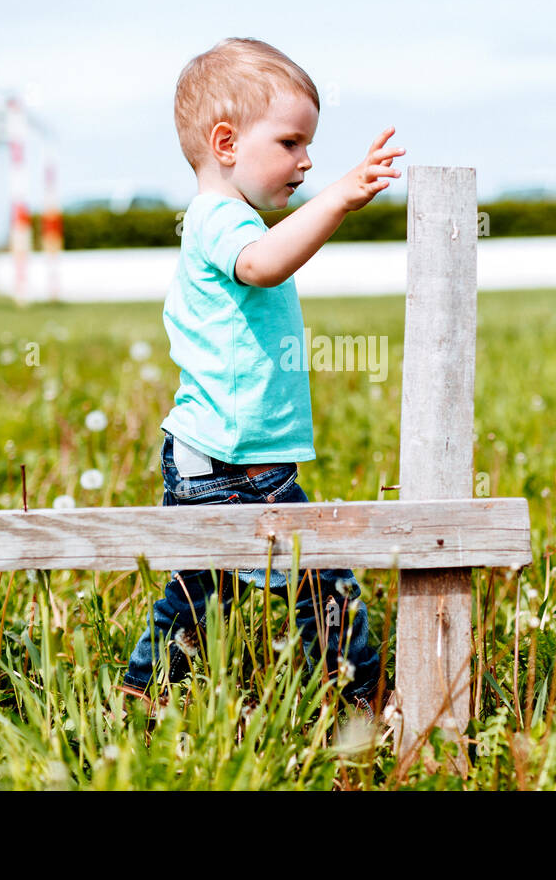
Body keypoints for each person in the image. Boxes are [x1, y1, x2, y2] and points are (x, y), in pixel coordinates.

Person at [120, 37, 405, 718]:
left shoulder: (227, 217)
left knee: (200, 585)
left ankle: (144, 690)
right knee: (319, 579)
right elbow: (263, 265)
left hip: (220, 454)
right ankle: (363, 700)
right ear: (225, 142)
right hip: (231, 461)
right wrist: (337, 200)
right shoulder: (223, 220)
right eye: (290, 142)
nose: (306, 161)